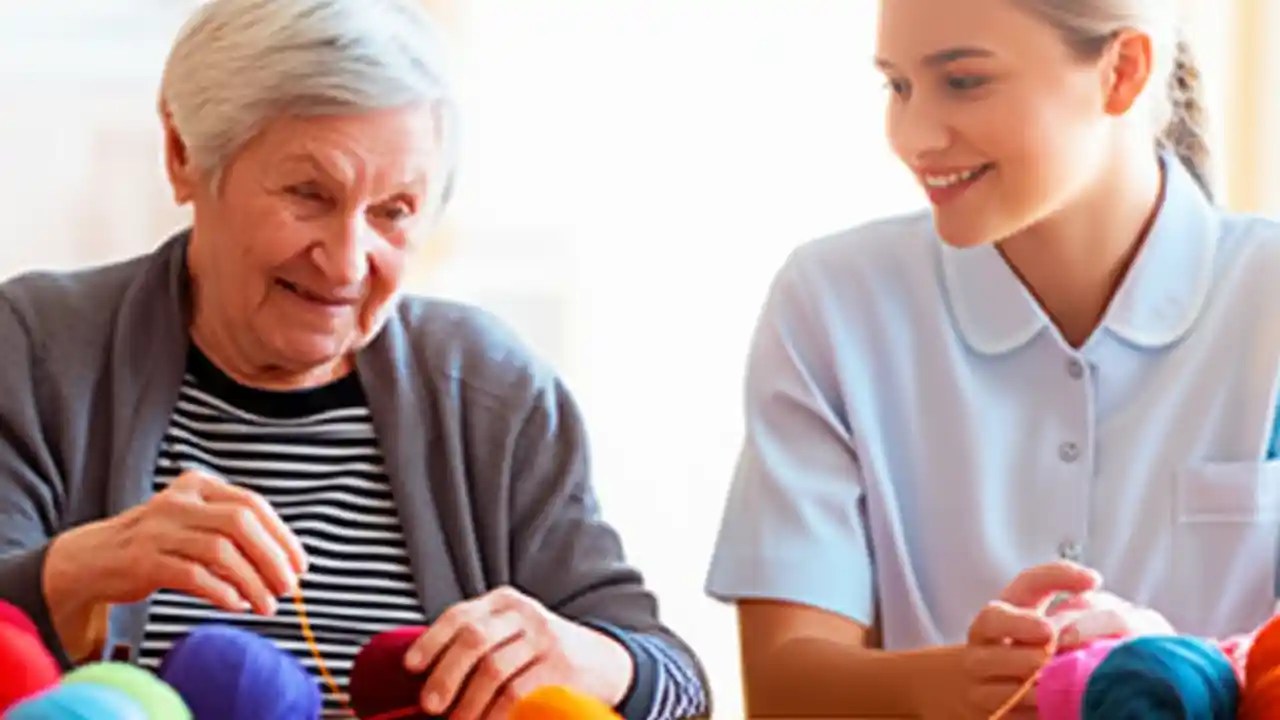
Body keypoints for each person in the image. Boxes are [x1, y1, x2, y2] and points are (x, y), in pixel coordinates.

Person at [0, 1, 709, 718]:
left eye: (393, 212)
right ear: (184, 155)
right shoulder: (35, 351)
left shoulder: (493, 390)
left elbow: (681, 688)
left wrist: (594, 658)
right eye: (309, 195)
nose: (346, 264)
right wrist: (76, 571)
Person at [705, 0, 1280, 717]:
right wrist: (966, 679)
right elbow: (785, 688)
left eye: (964, 81)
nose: (912, 137)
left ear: (1123, 71)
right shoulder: (833, 304)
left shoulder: (1268, 303)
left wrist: (1182, 671)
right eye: (898, 86)